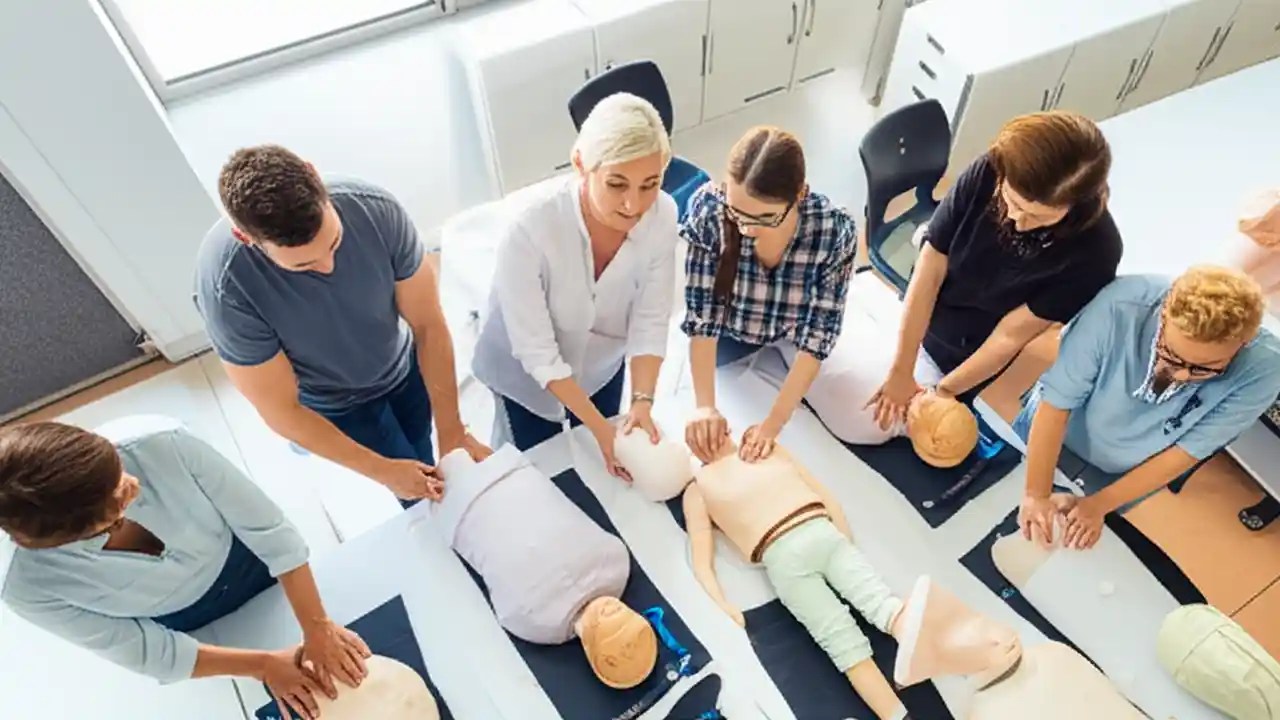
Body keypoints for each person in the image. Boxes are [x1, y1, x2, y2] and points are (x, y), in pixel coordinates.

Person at [0, 416, 370, 720]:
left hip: (246, 559)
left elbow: (268, 530)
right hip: (183, 623)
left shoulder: (162, 441)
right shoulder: (27, 587)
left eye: (116, 469)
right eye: (117, 501)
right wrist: (264, 665)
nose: (131, 483)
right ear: (65, 537)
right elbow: (145, 650)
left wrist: (316, 625)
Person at [195, 145, 490, 508]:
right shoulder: (227, 287)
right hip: (334, 403)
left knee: (423, 447)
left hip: (401, 363)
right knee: (414, 490)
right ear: (246, 238)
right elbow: (281, 409)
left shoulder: (376, 210)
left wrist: (453, 430)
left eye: (335, 243)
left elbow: (428, 324)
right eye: (303, 266)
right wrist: (382, 470)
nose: (328, 267)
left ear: (314, 176)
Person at [870, 111, 1123, 430]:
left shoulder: (1096, 253)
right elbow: (931, 265)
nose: (1017, 220)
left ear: (1075, 204)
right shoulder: (991, 169)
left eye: (1038, 216)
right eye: (1011, 202)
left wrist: (943, 392)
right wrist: (900, 370)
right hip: (937, 304)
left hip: (979, 348)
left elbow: (1009, 335)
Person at [472, 93, 677, 474]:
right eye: (617, 184)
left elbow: (651, 318)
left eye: (650, 184)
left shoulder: (662, 216)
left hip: (602, 365)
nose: (634, 204)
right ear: (581, 164)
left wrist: (643, 401)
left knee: (603, 466)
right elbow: (537, 352)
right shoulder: (531, 230)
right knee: (534, 470)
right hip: (525, 378)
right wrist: (601, 430)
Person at [1015, 267, 1280, 550]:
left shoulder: (1265, 370)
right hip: (1050, 432)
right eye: (1171, 356)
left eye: (1204, 369)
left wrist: (1098, 504)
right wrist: (1035, 492)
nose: (1180, 376)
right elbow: (1058, 402)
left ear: (1245, 342)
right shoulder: (1120, 305)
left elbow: (1185, 453)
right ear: (1163, 315)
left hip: (1123, 473)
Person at [681, 126, 858, 464]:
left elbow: (817, 337)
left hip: (792, 338)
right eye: (738, 212)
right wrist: (704, 407)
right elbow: (703, 320)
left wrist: (773, 425)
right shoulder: (709, 211)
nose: (747, 229)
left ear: (801, 195)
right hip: (729, 339)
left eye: (765, 217)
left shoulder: (834, 231)